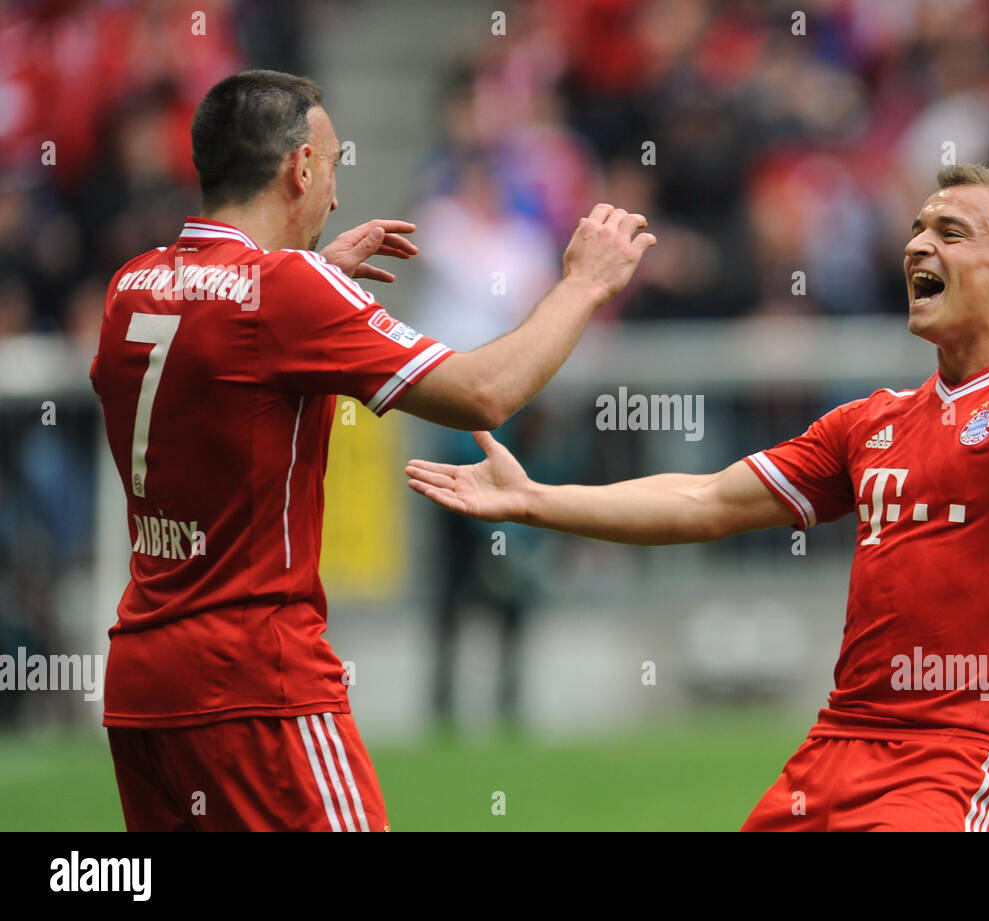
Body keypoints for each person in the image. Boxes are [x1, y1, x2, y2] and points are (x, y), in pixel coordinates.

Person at [406, 164, 989, 832]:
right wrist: (536, 499)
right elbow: (705, 499)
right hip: (832, 750)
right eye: (917, 227)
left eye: (950, 231)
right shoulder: (871, 422)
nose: (918, 245)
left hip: (956, 759)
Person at [89, 70, 655, 831]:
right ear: (298, 168)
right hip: (260, 682)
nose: (336, 195)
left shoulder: (134, 284)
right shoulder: (286, 292)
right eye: (333, 165)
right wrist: (583, 286)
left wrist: (314, 283)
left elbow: (220, 357)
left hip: (146, 685)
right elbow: (484, 391)